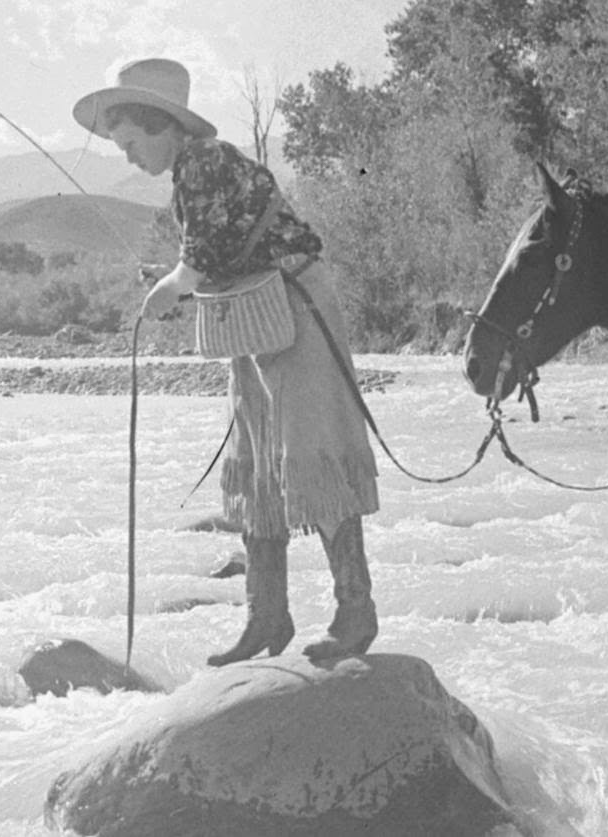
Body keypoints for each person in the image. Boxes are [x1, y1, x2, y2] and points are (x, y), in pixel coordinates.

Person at [73, 58, 380, 665]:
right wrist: (176, 279)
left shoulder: (204, 164)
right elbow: (211, 253)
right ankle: (266, 616)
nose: (130, 158)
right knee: (258, 463)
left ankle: (355, 611)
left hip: (294, 311)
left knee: (311, 457)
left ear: (163, 125)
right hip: (260, 314)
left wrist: (170, 286)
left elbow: (197, 261)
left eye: (132, 144)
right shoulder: (195, 168)